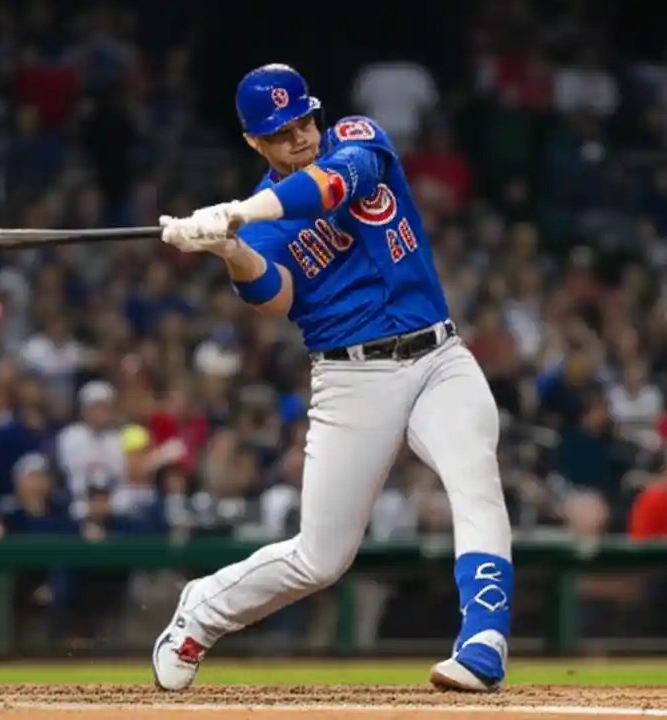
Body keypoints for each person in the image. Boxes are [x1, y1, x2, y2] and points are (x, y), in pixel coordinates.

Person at [152, 64, 512, 693]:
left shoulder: (357, 138)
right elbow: (275, 296)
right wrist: (229, 247)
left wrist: (235, 212)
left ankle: (484, 638)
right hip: (353, 376)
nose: (300, 137)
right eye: (281, 132)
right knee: (321, 559)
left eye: (304, 121)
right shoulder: (263, 222)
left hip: (439, 356)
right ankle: (202, 610)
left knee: (474, 474)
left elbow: (332, 185)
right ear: (254, 142)